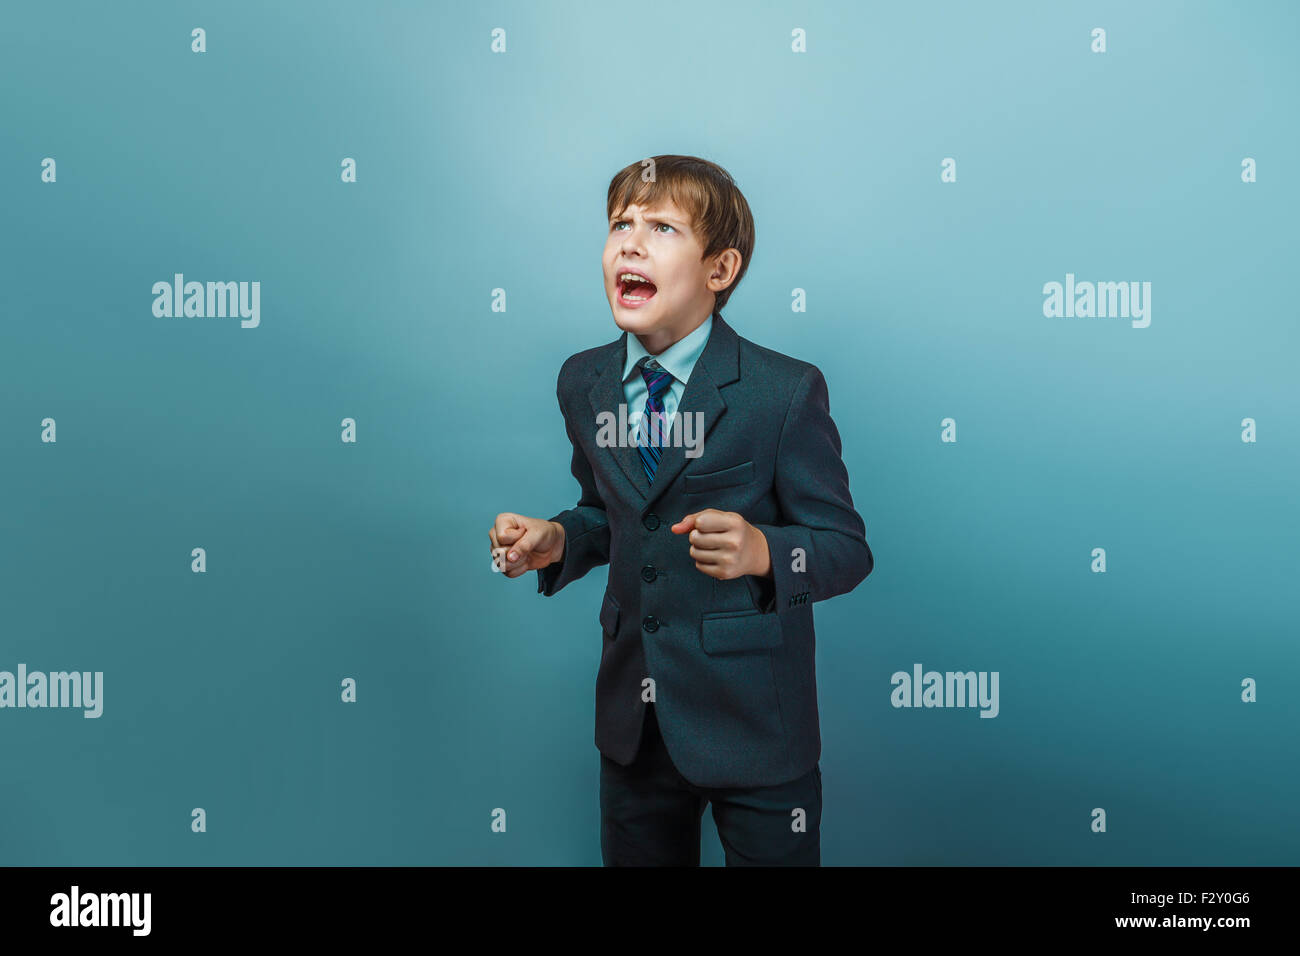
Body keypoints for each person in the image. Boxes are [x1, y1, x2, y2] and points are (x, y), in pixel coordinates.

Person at [489, 154, 873, 865]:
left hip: (756, 724)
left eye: (661, 228)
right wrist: (558, 540)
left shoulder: (782, 392)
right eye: (620, 225)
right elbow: (611, 513)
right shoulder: (584, 381)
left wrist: (764, 551)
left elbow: (846, 548)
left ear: (719, 270)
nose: (630, 243)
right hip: (634, 727)